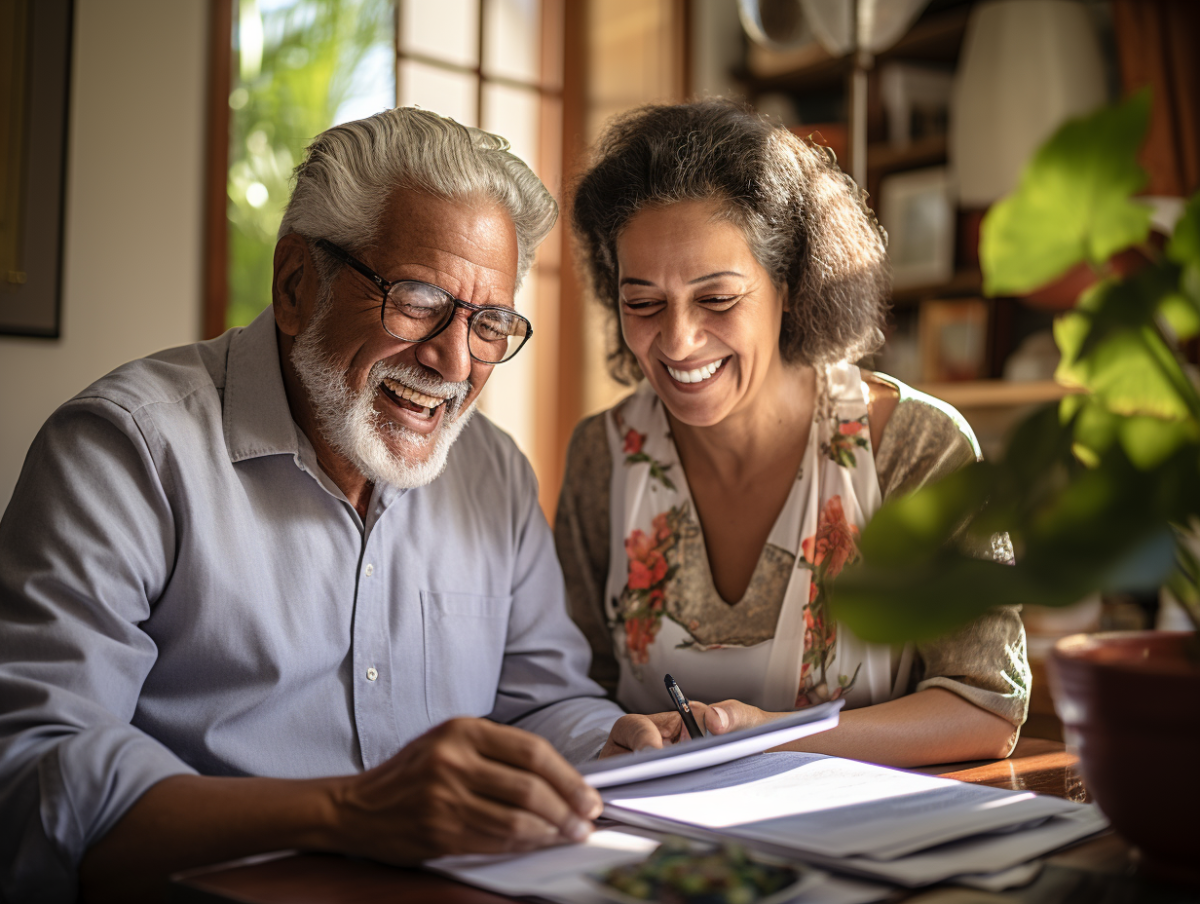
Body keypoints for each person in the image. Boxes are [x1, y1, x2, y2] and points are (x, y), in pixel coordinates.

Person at [0, 108, 638, 903]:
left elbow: (540, 703)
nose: (453, 359)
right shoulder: (126, 450)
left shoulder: (494, 474)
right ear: (297, 283)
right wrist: (343, 814)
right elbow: (33, 778)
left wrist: (620, 743)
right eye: (417, 300)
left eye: (489, 323)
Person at [558, 100, 1030, 766]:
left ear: (790, 286)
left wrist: (775, 735)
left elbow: (987, 707)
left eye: (716, 299)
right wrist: (606, 733)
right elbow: (573, 689)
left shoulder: (915, 447)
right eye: (643, 302)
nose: (678, 340)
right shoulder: (601, 457)